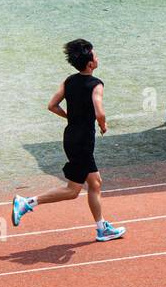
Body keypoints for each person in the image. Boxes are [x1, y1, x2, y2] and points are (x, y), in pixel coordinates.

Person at [11, 39, 126, 242]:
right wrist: (103, 125)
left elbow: (52, 105)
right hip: (82, 142)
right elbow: (100, 111)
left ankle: (102, 228)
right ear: (90, 64)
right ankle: (27, 203)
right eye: (95, 56)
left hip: (71, 136)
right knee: (72, 190)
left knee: (95, 183)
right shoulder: (96, 84)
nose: (97, 58)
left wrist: (70, 117)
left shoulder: (69, 81)